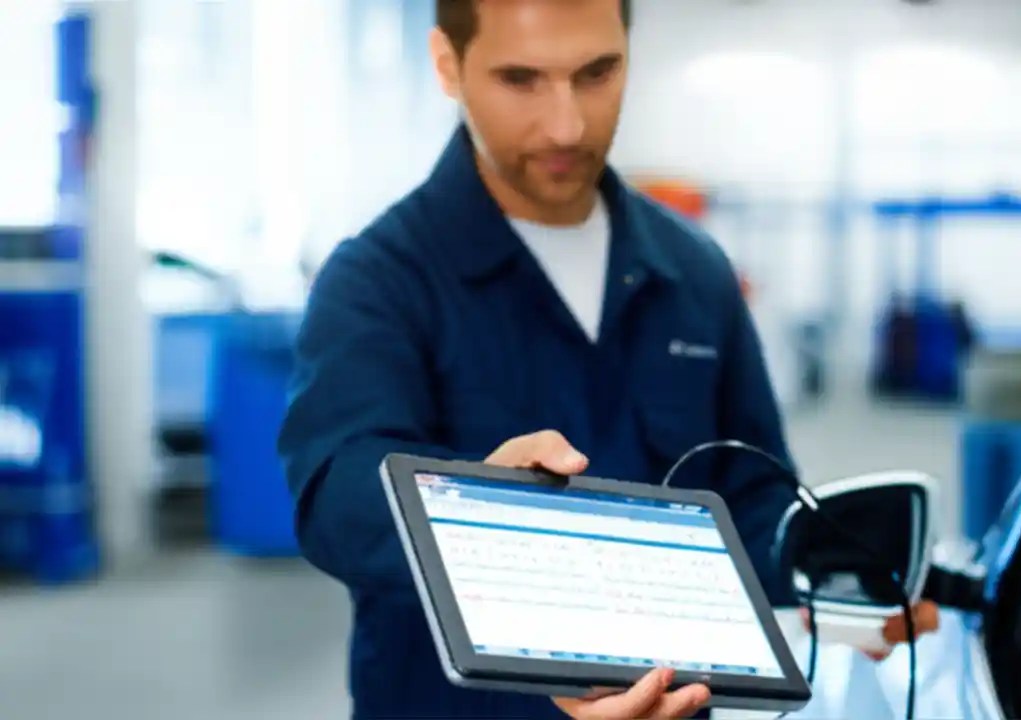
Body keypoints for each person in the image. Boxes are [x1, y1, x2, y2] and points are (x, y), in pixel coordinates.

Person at [277, 1, 938, 718]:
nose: (567, 125)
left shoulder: (693, 271)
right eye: (521, 79)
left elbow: (750, 494)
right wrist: (470, 512)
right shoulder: (378, 277)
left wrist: (830, 583)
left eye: (596, 73)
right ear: (448, 65)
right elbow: (336, 490)